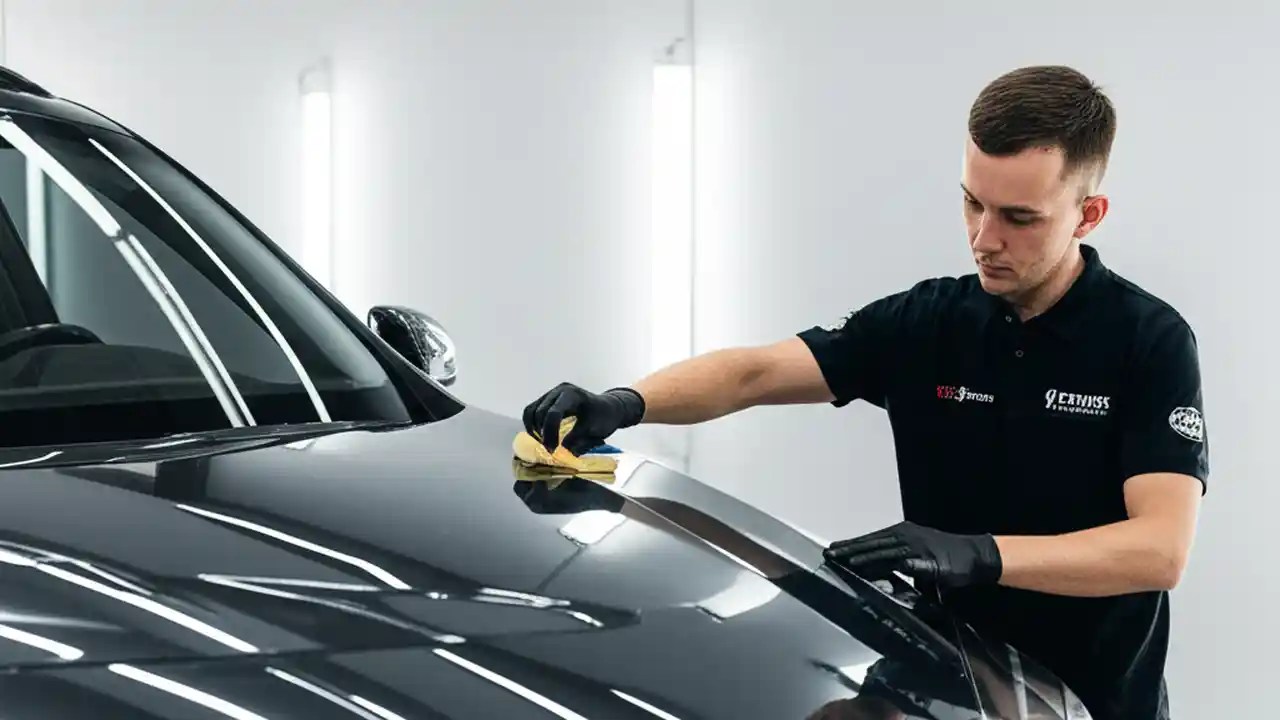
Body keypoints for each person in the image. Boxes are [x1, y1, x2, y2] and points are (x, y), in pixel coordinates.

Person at [522, 65, 1206, 720]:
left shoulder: (1149, 340)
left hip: (1091, 702)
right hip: (944, 689)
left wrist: (977, 554)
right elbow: (755, 372)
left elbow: (1159, 549)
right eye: (972, 202)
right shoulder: (930, 321)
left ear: (1088, 215)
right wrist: (624, 402)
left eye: (1019, 218)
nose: (983, 237)